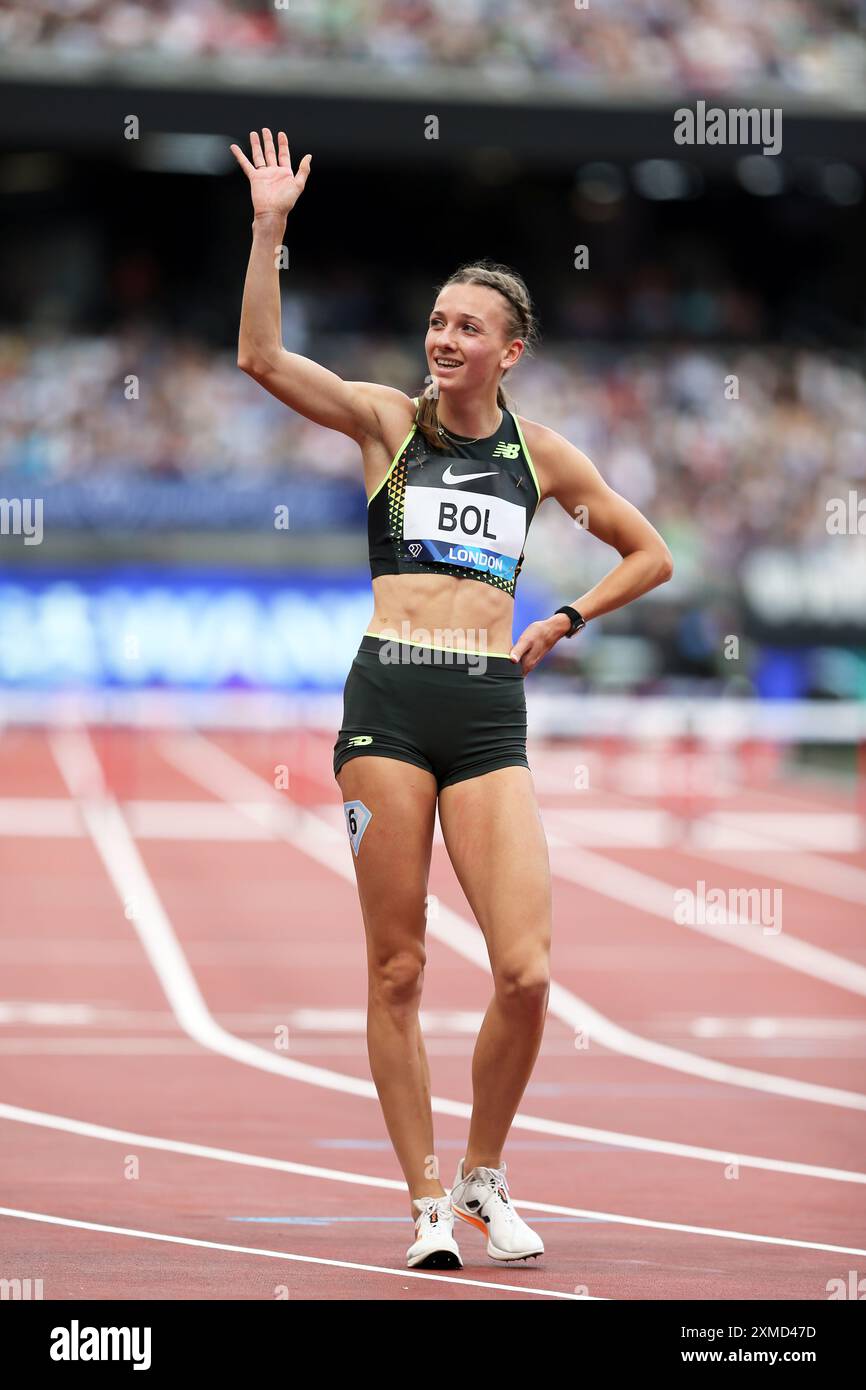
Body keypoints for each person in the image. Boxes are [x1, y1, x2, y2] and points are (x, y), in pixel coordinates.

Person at [231, 129, 674, 1271]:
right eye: (435, 321)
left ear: (508, 350)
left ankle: (483, 1177)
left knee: (524, 969)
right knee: (397, 966)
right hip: (388, 697)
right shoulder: (387, 421)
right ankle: (424, 1199)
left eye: (465, 326)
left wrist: (567, 617)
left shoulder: (538, 457)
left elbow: (648, 551)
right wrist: (269, 228)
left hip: (484, 708)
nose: (441, 338)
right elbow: (263, 362)